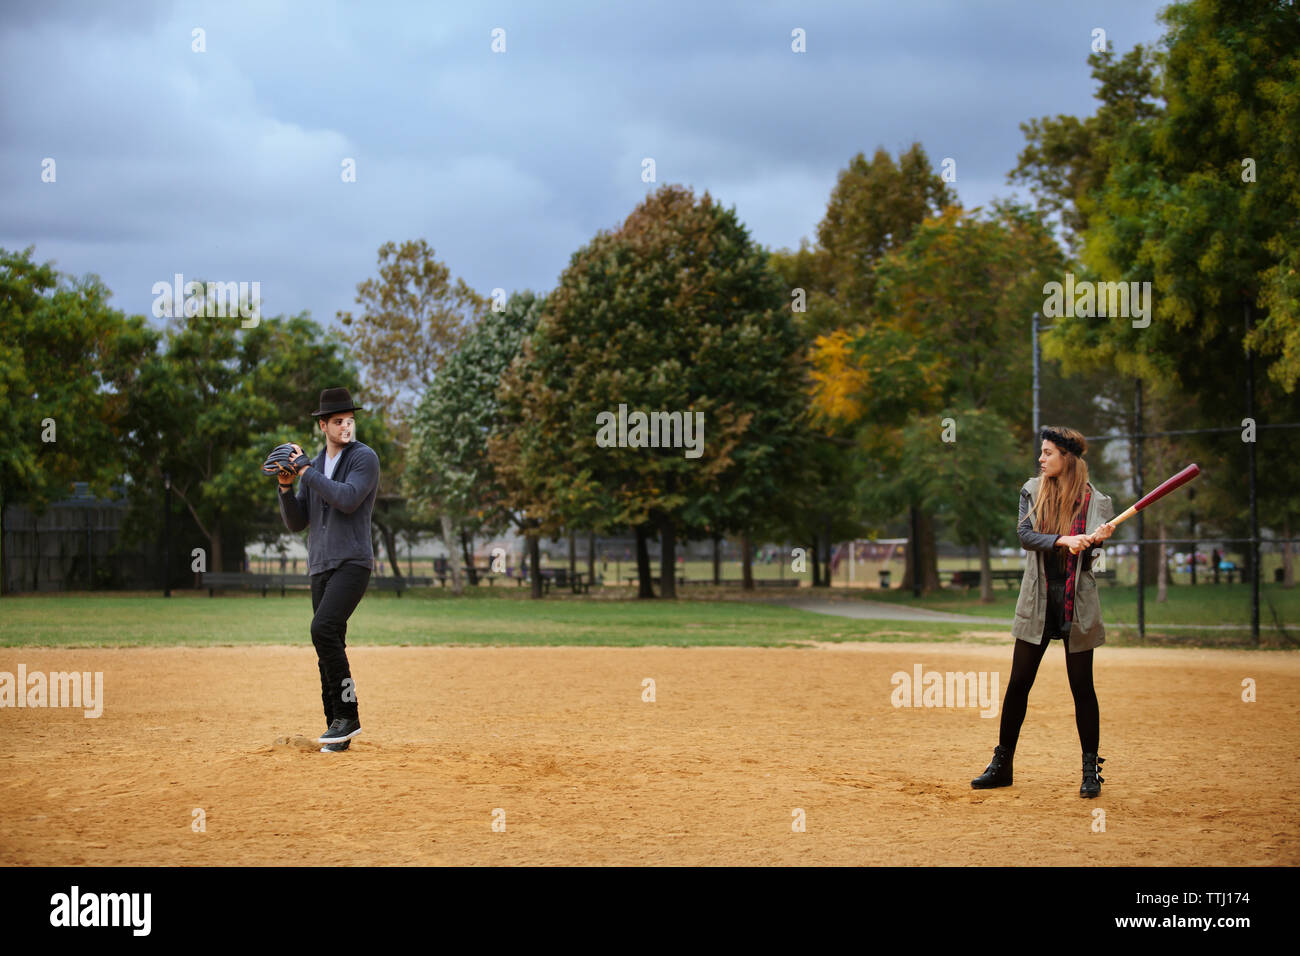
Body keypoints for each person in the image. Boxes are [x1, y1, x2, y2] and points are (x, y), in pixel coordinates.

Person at [971, 426, 1117, 797]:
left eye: (1048, 452)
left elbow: (1094, 567)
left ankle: (1090, 771)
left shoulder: (1098, 504)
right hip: (1037, 599)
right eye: (1042, 452)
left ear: (1066, 457)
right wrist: (1063, 539)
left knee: (1082, 687)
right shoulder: (1032, 490)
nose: (1041, 458)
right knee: (1019, 683)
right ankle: (1002, 765)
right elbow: (1025, 536)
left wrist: (1096, 545)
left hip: (1076, 602)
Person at [277, 387, 380, 754]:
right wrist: (286, 487)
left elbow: (348, 499)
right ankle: (335, 727)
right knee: (329, 643)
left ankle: (348, 715)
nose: (346, 426)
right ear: (323, 425)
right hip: (319, 565)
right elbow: (297, 521)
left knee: (322, 628)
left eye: (349, 420)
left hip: (352, 562)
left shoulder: (363, 458)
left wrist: (304, 469)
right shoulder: (317, 465)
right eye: (338, 421)